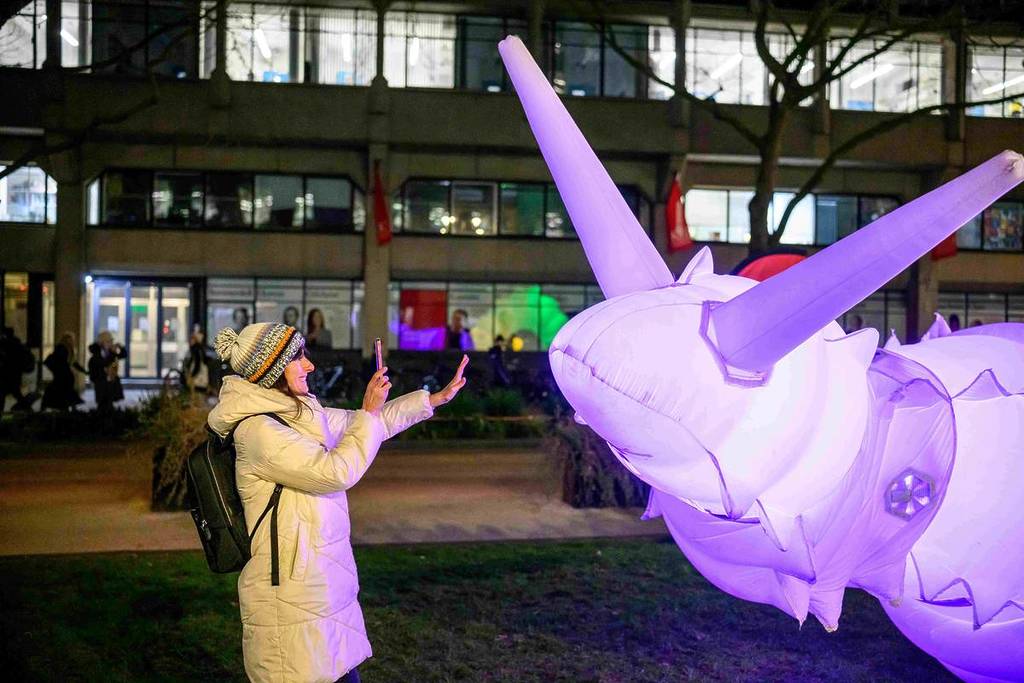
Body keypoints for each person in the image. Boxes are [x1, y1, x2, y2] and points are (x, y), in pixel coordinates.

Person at [207, 322, 468, 683]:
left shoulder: (298, 414)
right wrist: (367, 413)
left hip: (318, 584)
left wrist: (431, 400)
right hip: (291, 596)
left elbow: (367, 425)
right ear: (270, 369)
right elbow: (335, 471)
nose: (310, 365)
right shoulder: (259, 431)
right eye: (298, 357)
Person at [42, 332, 86, 411]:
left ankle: (64, 408)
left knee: (61, 392)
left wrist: (83, 371)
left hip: (63, 375)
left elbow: (72, 362)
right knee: (65, 392)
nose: (71, 341)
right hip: (64, 375)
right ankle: (69, 408)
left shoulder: (67, 349)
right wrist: (83, 371)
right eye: (69, 339)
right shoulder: (65, 349)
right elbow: (70, 362)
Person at [88, 331, 126, 412]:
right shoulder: (97, 353)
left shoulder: (110, 352)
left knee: (109, 404)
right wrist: (112, 353)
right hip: (101, 382)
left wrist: (121, 348)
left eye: (112, 341)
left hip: (110, 382)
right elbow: (104, 363)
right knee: (102, 405)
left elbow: (122, 355)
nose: (111, 343)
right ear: (102, 342)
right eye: (109, 341)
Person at [0, 327, 36, 412]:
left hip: (6, 375)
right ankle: (29, 411)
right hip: (15, 375)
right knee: (16, 394)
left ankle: (28, 411)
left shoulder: (5, 344)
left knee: (5, 394)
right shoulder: (17, 344)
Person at [183, 330, 211, 395]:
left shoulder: (196, 350)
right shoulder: (199, 349)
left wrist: (192, 375)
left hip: (198, 376)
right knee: (199, 391)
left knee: (197, 392)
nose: (190, 341)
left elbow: (197, 364)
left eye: (192, 339)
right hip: (200, 374)